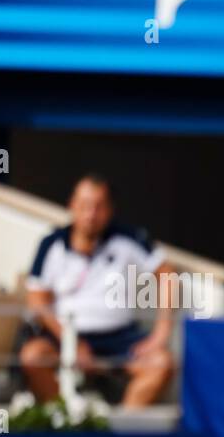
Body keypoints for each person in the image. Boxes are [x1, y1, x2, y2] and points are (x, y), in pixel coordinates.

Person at [20, 174, 175, 408]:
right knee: (32, 356)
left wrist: (161, 333)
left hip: (120, 339)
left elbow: (169, 277)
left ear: (110, 210)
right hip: (63, 337)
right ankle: (67, 422)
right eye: (84, 206)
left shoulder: (129, 238)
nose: (90, 214)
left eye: (98, 207)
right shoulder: (51, 244)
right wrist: (73, 342)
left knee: (162, 363)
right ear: (72, 205)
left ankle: (120, 434)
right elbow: (37, 301)